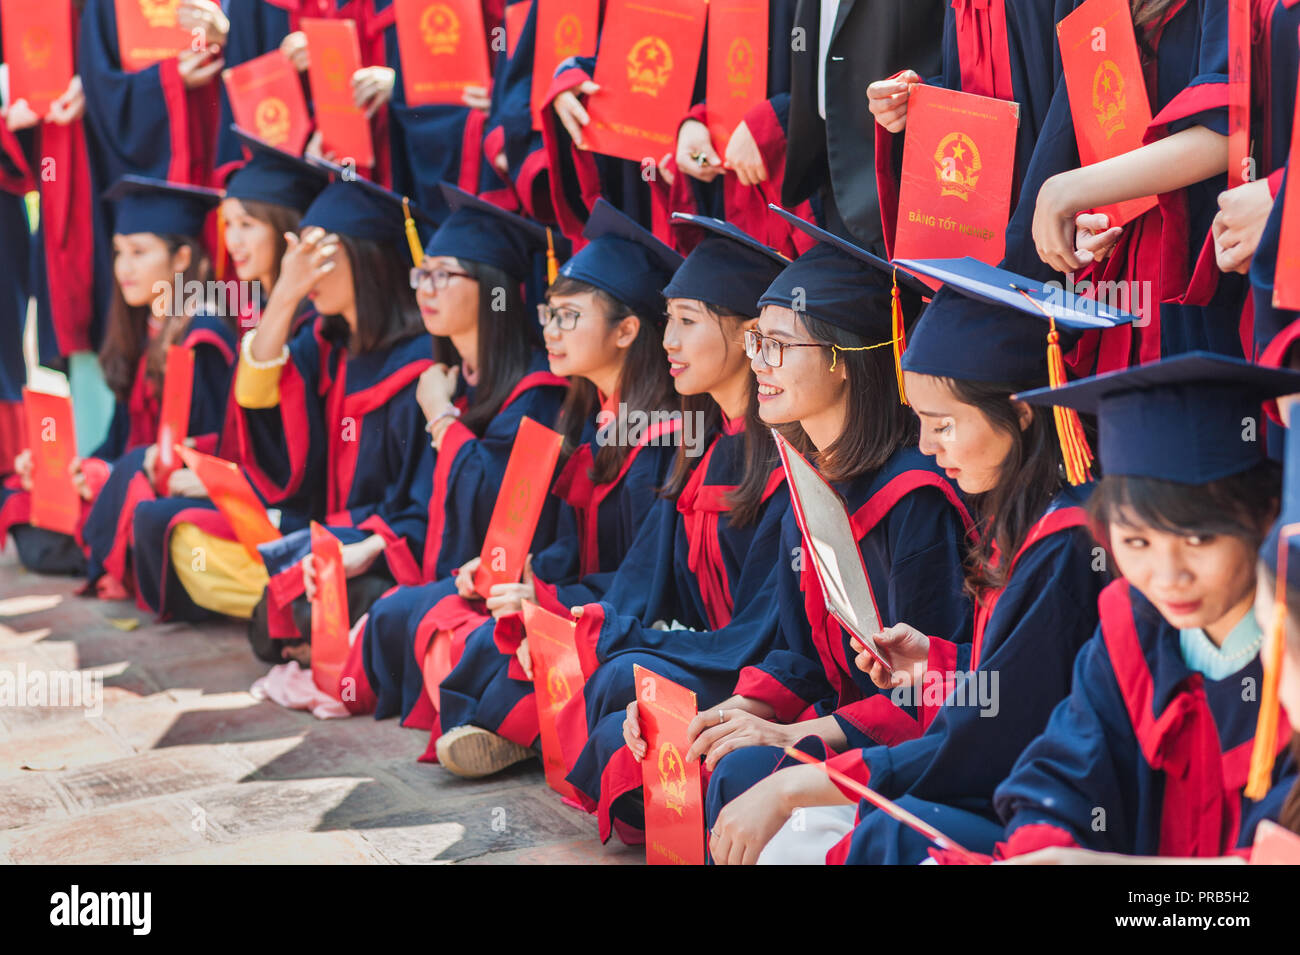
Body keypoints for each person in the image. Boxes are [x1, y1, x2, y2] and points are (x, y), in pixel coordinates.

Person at [707, 257, 1123, 865]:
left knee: (851, 833)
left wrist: (806, 777)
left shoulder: (1064, 544)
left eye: (943, 424)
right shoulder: (1022, 528)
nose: (926, 446)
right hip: (993, 779)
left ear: (1022, 414)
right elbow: (1009, 692)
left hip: (1044, 817)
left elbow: (994, 735)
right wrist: (936, 664)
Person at [434, 213, 787, 778]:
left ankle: (533, 733)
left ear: (751, 336)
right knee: (550, 645)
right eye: (667, 320)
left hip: (750, 669)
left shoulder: (782, 466)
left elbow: (764, 629)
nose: (667, 338)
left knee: (612, 675)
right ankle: (537, 733)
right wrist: (557, 597)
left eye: (686, 322)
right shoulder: (701, 446)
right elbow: (647, 576)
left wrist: (595, 623)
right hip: (704, 648)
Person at [661, 214, 975, 826]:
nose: (759, 364)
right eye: (756, 342)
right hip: (839, 722)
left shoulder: (915, 498)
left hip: (903, 751)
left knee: (741, 770)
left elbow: (929, 696)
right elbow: (799, 656)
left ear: (841, 360)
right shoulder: (812, 480)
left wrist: (796, 737)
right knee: (692, 743)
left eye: (777, 346)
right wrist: (734, 711)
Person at [985, 354, 1299, 861]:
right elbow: (1066, 771)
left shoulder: (1293, 661)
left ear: (1265, 518)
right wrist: (1048, 845)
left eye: (1199, 539)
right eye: (1135, 542)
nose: (1168, 577)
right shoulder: (1130, 626)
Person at [161, 169, 433, 643]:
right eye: (298, 257)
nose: (304, 272)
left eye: (318, 257)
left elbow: (425, 510)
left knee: (299, 591)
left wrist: (364, 544)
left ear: (366, 260)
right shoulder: (328, 345)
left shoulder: (420, 364)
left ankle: (305, 605)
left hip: (379, 545)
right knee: (187, 541)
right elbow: (257, 394)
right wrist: (285, 294)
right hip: (322, 532)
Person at [334, 186, 572, 714]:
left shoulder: (537, 392)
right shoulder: (455, 383)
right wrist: (380, 545)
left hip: (509, 586)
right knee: (332, 587)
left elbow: (498, 505)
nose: (426, 288)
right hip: (446, 576)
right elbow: (423, 506)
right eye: (423, 273)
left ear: (492, 289)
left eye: (445, 274)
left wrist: (442, 417)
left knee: (405, 619)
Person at [131, 131, 331, 621]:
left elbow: (303, 454)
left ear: (285, 230)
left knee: (175, 533)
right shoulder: (250, 309)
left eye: (247, 225)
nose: (233, 241)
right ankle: (289, 598)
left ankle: (295, 598)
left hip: (304, 517)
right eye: (229, 224)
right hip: (258, 505)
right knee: (160, 522)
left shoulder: (314, 324)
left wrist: (241, 487)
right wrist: (220, 479)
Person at [0, 177, 226, 576]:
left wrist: (111, 474)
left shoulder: (203, 339)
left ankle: (113, 554)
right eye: (119, 252)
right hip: (133, 486)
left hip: (181, 497)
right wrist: (64, 468)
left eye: (139, 252)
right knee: (24, 500)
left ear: (181, 259)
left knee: (161, 529)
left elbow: (212, 451)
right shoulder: (143, 333)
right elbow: (119, 440)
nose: (124, 268)